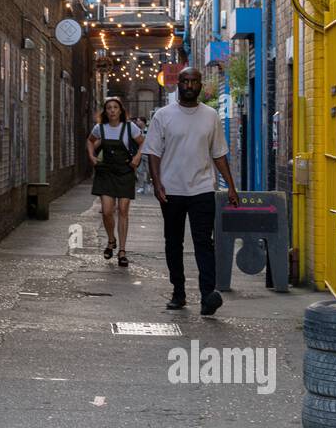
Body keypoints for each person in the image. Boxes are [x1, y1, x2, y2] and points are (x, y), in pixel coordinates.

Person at [142, 67, 240, 315]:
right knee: (173, 243)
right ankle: (179, 293)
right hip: (172, 190)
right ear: (179, 84)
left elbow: (219, 153)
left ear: (200, 85)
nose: (188, 85)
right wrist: (157, 183)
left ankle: (208, 295)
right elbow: (153, 152)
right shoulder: (163, 116)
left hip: (202, 189)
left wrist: (231, 186)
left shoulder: (210, 116)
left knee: (203, 243)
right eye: (184, 81)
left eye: (193, 81)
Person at [86, 97, 144, 267]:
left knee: (123, 210)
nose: (112, 110)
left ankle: (122, 251)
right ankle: (111, 240)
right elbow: (90, 141)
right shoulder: (100, 128)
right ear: (105, 111)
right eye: (109, 108)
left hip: (125, 172)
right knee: (106, 211)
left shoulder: (129, 127)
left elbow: (143, 143)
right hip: (106, 173)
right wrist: (91, 156)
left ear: (120, 110)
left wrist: (137, 158)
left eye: (115, 107)